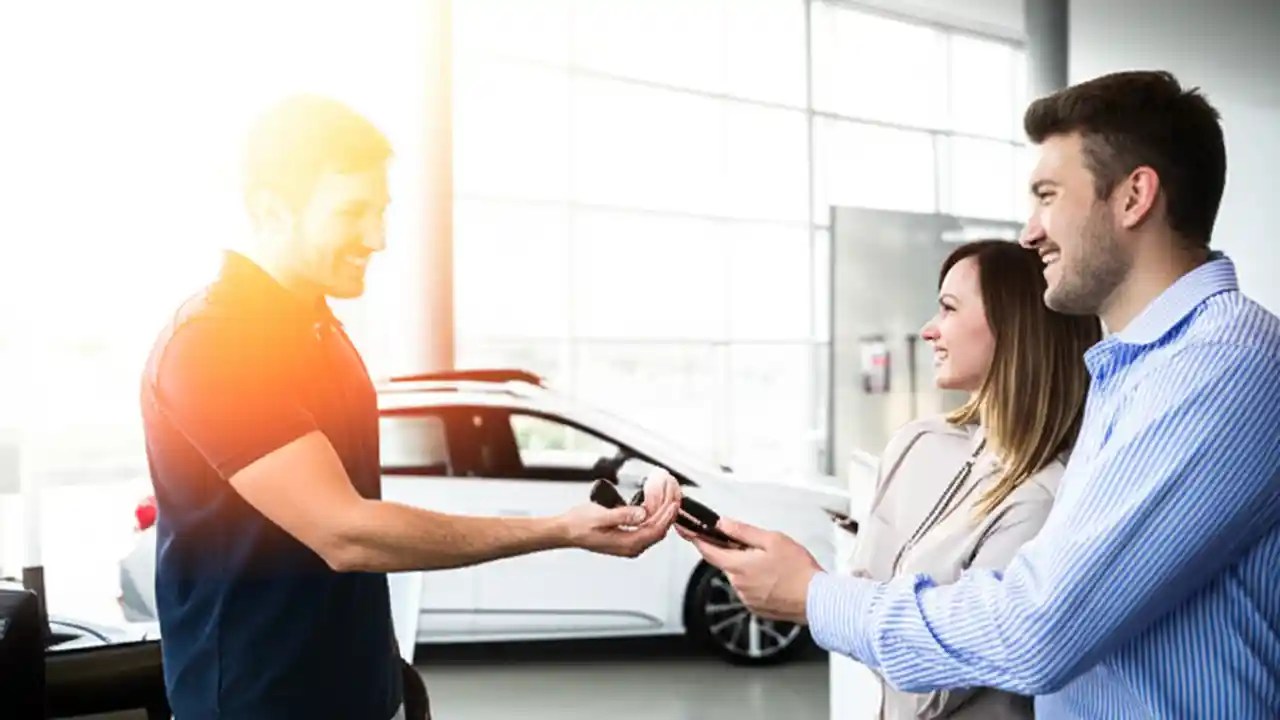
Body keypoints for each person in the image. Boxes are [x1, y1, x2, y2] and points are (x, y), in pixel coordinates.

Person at [680, 70, 1280, 719]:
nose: (1030, 231)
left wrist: (815, 597)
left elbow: (1037, 628)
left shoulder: (1221, 366)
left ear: (1135, 196)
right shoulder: (1134, 369)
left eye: (1048, 196)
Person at [139, 95, 680, 720]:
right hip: (259, 702)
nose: (378, 237)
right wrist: (557, 529)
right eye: (352, 212)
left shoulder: (319, 329)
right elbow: (344, 532)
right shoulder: (215, 344)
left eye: (382, 210)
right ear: (270, 209)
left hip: (358, 691)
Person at [846, 239, 1099, 719]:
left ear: (1013, 328)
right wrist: (895, 626)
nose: (928, 330)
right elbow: (860, 597)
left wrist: (867, 619)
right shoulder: (917, 444)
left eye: (948, 308)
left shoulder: (1045, 498)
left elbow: (929, 690)